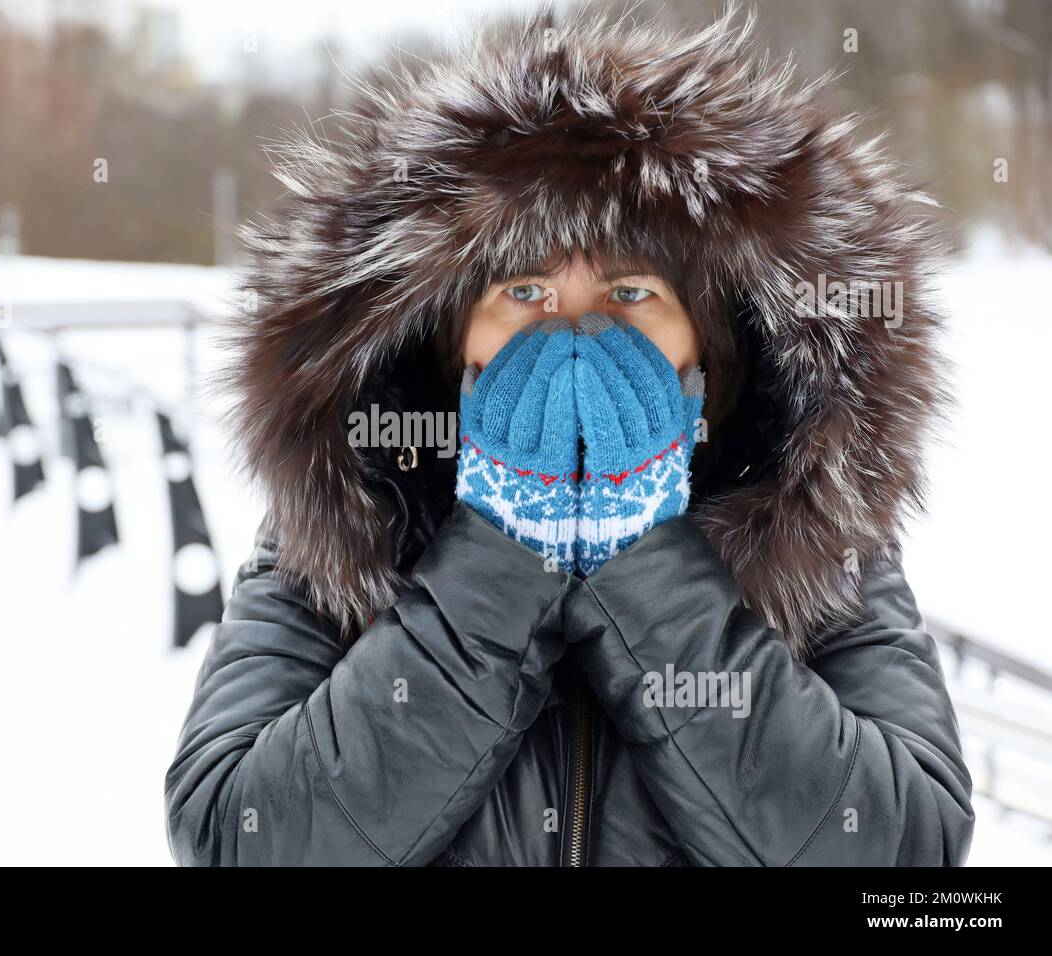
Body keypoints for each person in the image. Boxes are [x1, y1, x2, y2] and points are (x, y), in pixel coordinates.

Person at [164, 5, 974, 866]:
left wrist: (647, 565)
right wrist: (504, 552)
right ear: (450, 335)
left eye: (631, 296)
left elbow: (904, 852)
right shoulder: (346, 525)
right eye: (524, 293)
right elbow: (237, 834)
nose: (575, 338)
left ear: (712, 343)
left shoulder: (819, 539)